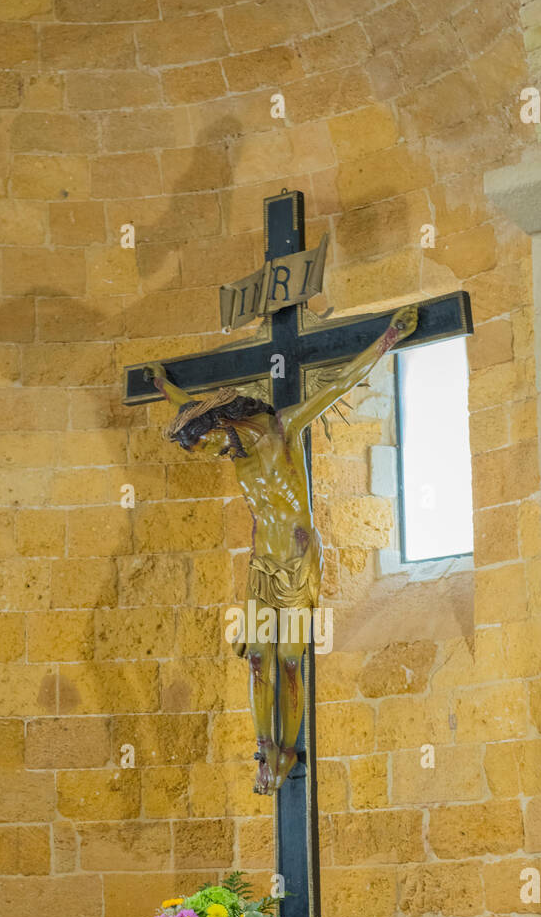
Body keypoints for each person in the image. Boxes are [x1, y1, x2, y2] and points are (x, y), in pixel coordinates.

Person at [148, 303, 418, 794]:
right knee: (257, 658)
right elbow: (189, 405)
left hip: (295, 564)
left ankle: (287, 747)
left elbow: (340, 384)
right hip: (262, 566)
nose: (210, 454)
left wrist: (388, 338)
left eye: (205, 445)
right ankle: (264, 747)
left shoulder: (283, 428)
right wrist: (165, 387)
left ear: (220, 424)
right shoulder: (234, 449)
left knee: (289, 661)